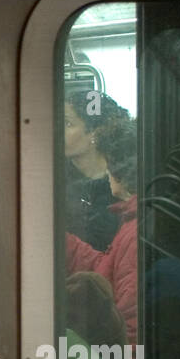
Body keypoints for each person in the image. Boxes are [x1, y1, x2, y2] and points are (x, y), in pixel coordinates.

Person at [65, 118, 139, 346]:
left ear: (120, 171)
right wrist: (63, 244)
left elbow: (130, 323)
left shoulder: (135, 232)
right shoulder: (131, 220)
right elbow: (108, 270)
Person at [63, 90, 131, 251]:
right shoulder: (53, 177)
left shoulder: (122, 181)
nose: (58, 130)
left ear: (95, 132)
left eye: (67, 124)